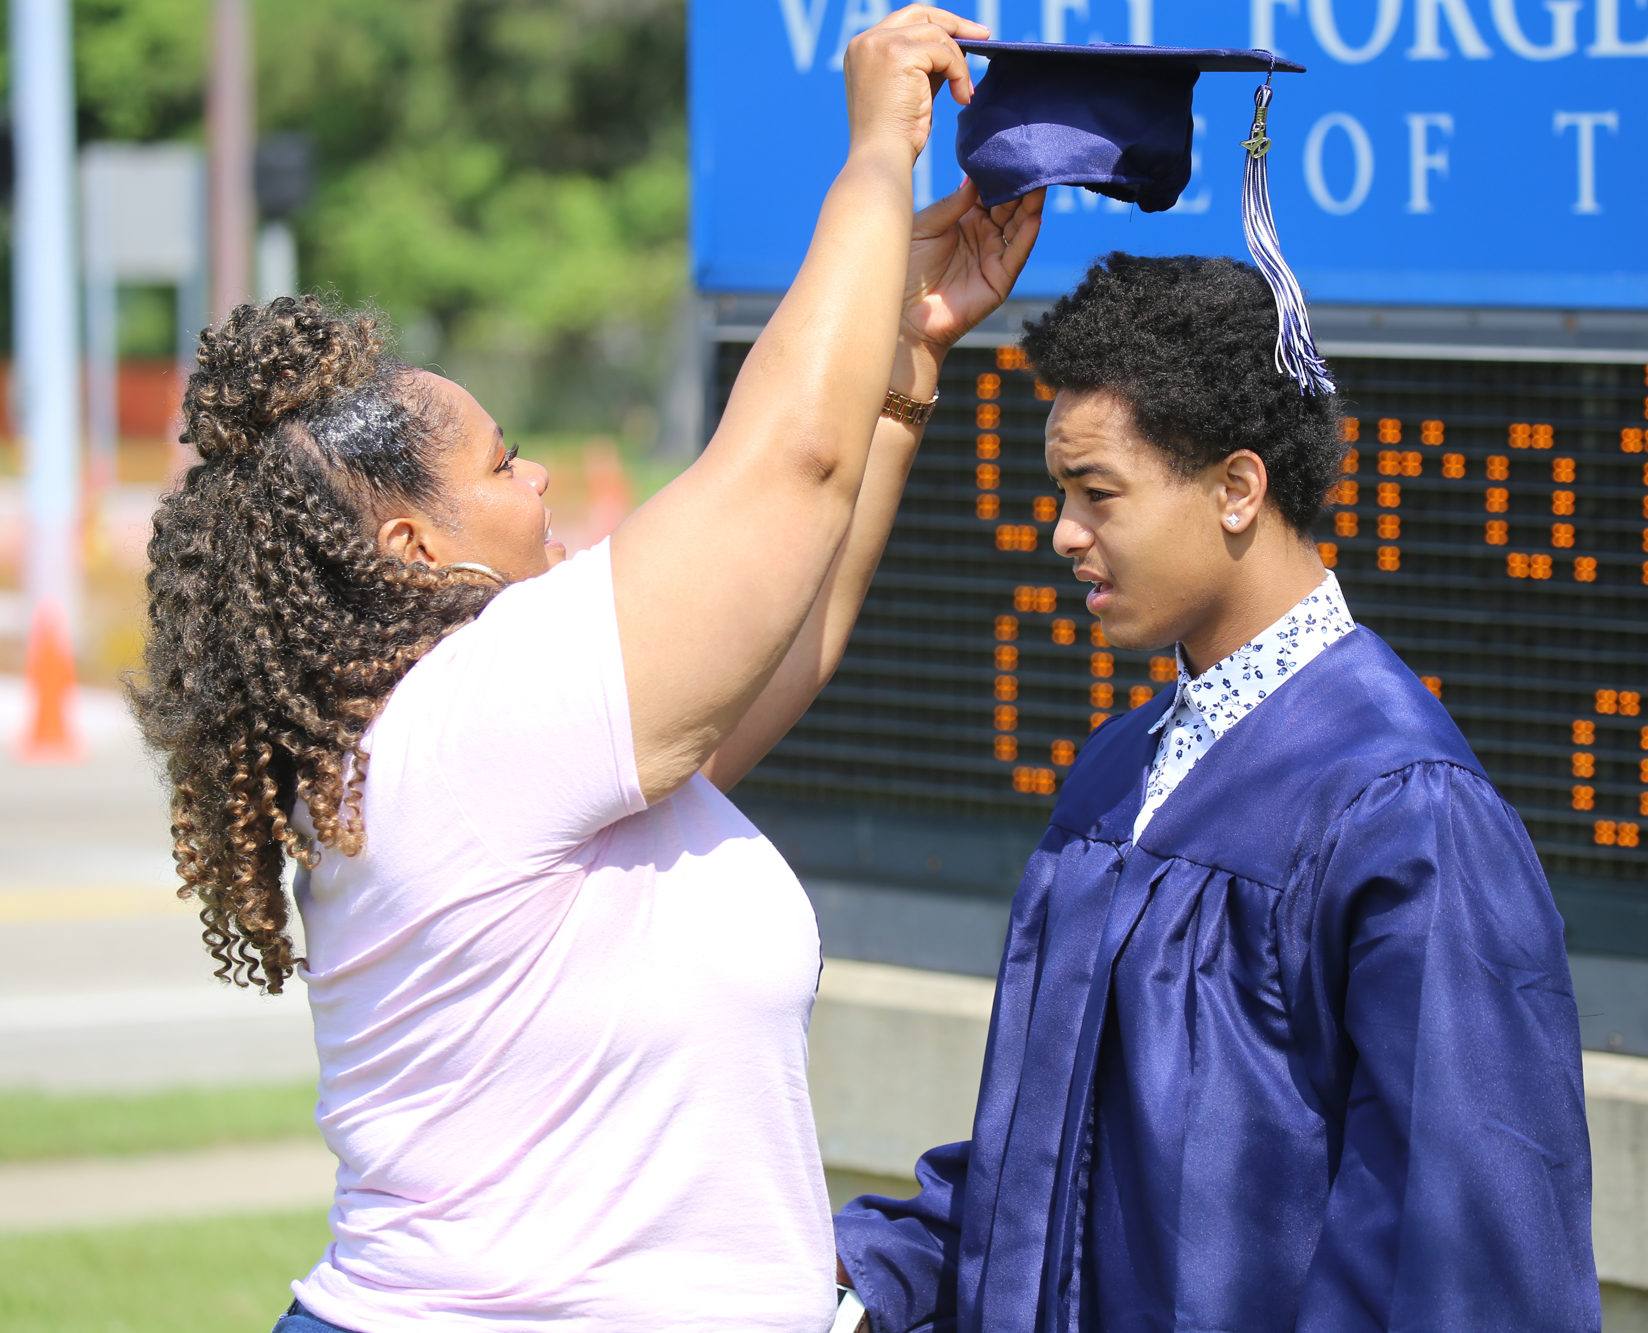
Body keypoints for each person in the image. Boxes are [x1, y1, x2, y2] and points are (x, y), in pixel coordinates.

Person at [127, 9, 1042, 1331]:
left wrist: (903, 367)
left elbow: (790, 634)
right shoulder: (470, 714)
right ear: (409, 542)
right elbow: (787, 466)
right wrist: (871, 161)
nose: (542, 474)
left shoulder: (470, 741)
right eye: (501, 463)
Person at [833, 254, 1600, 1332]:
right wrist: (873, 1278)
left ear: (1236, 487)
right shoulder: (1117, 773)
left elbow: (1466, 1248)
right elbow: (1054, 1164)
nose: (1060, 532)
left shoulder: (1401, 811)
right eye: (1061, 494)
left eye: (1096, 494)